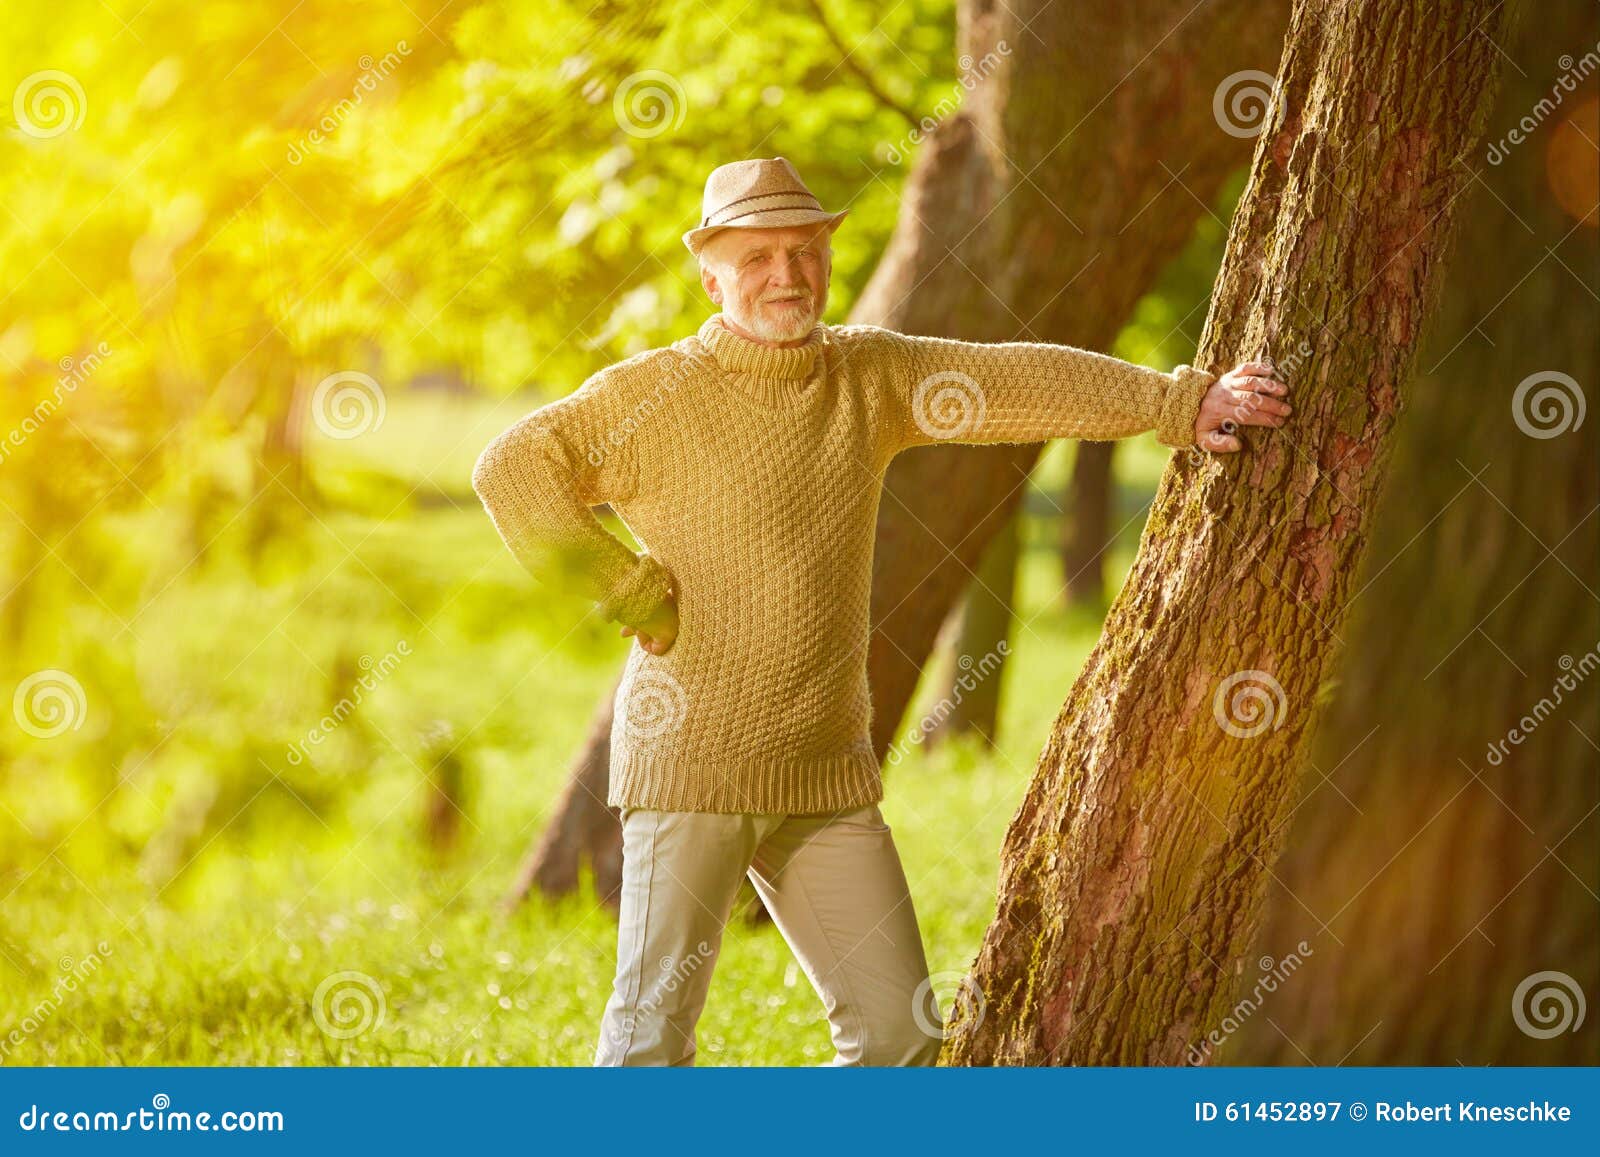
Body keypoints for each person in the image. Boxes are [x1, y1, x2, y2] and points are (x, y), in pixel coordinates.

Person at [470, 156, 1291, 1066]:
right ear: (711, 276)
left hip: (825, 773)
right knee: (649, 1041)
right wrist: (626, 588)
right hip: (691, 768)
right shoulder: (654, 395)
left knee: (900, 1034)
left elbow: (1016, 382)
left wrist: (1178, 403)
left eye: (804, 250)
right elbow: (510, 468)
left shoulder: (870, 375)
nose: (786, 274)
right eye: (757, 257)